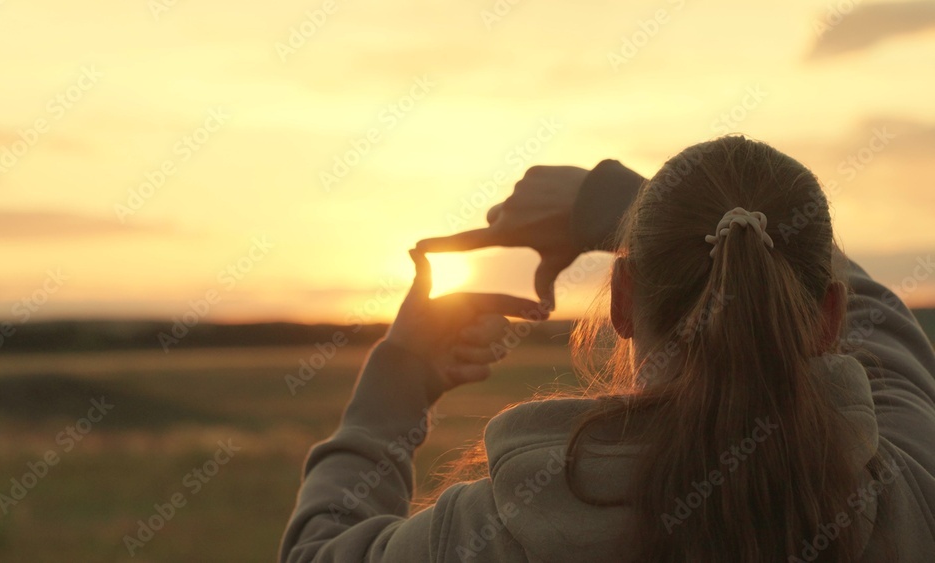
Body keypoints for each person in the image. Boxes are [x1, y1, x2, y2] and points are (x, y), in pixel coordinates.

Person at [280, 136, 935, 562]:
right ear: (828, 318)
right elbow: (886, 334)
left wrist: (396, 378)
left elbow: (316, 551)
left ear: (621, 298)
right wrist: (617, 200)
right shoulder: (908, 495)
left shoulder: (507, 529)